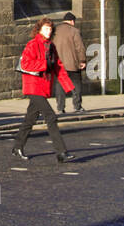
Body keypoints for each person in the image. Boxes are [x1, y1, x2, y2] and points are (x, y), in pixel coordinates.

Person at [12, 18, 77, 163]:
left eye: (50, 29)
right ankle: (61, 152)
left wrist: (69, 87)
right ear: (39, 30)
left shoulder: (51, 46)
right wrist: (43, 64)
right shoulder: (33, 44)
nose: (48, 31)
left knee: (30, 119)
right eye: (46, 29)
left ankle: (17, 147)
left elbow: (59, 68)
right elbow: (25, 64)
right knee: (51, 117)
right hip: (33, 86)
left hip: (43, 87)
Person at [54, 12, 87, 113]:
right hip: (72, 64)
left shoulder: (55, 30)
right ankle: (77, 106)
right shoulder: (74, 31)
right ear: (72, 21)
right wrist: (82, 60)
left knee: (60, 86)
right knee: (76, 85)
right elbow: (80, 47)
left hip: (58, 64)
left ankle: (60, 108)